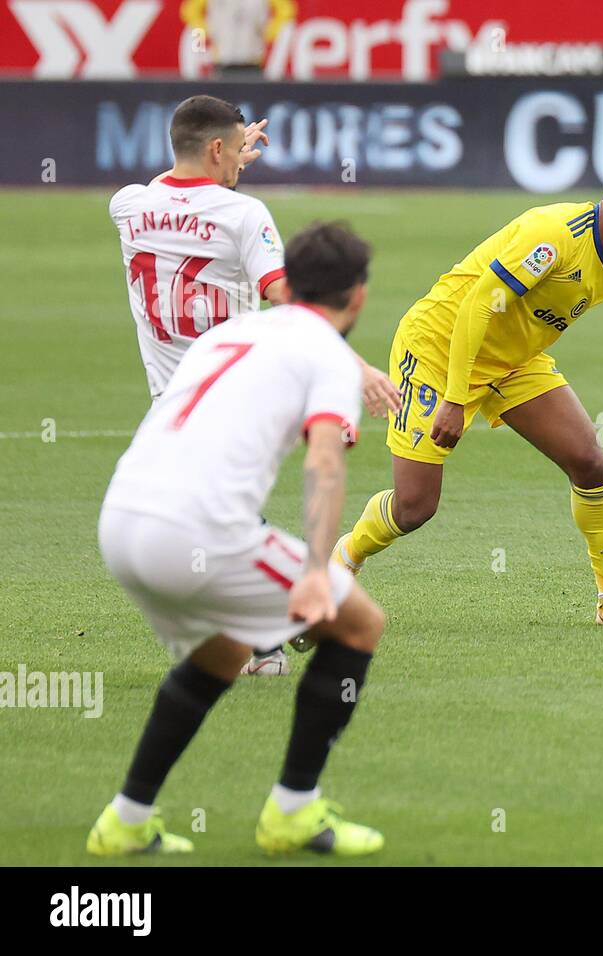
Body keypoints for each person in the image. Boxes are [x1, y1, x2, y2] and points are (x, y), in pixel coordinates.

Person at [88, 222, 387, 857]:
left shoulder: (231, 331)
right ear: (357, 296)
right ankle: (294, 813)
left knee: (222, 653)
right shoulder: (329, 354)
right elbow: (325, 464)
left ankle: (127, 818)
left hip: (120, 519)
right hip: (196, 530)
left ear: (292, 281)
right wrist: (314, 570)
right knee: (358, 623)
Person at [334, 153, 603, 628]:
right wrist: (456, 399)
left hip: (514, 362)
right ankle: (344, 559)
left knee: (589, 461)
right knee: (416, 506)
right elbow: (477, 308)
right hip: (441, 349)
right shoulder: (554, 236)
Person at [109, 94, 399, 674]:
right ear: (218, 148)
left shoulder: (127, 205)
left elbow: (182, 201)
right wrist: (354, 365)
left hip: (171, 401)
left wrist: (224, 167)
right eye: (237, 150)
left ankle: (252, 630)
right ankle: (279, 625)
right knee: (229, 515)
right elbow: (287, 296)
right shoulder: (245, 215)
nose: (245, 159)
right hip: (236, 390)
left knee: (216, 513)